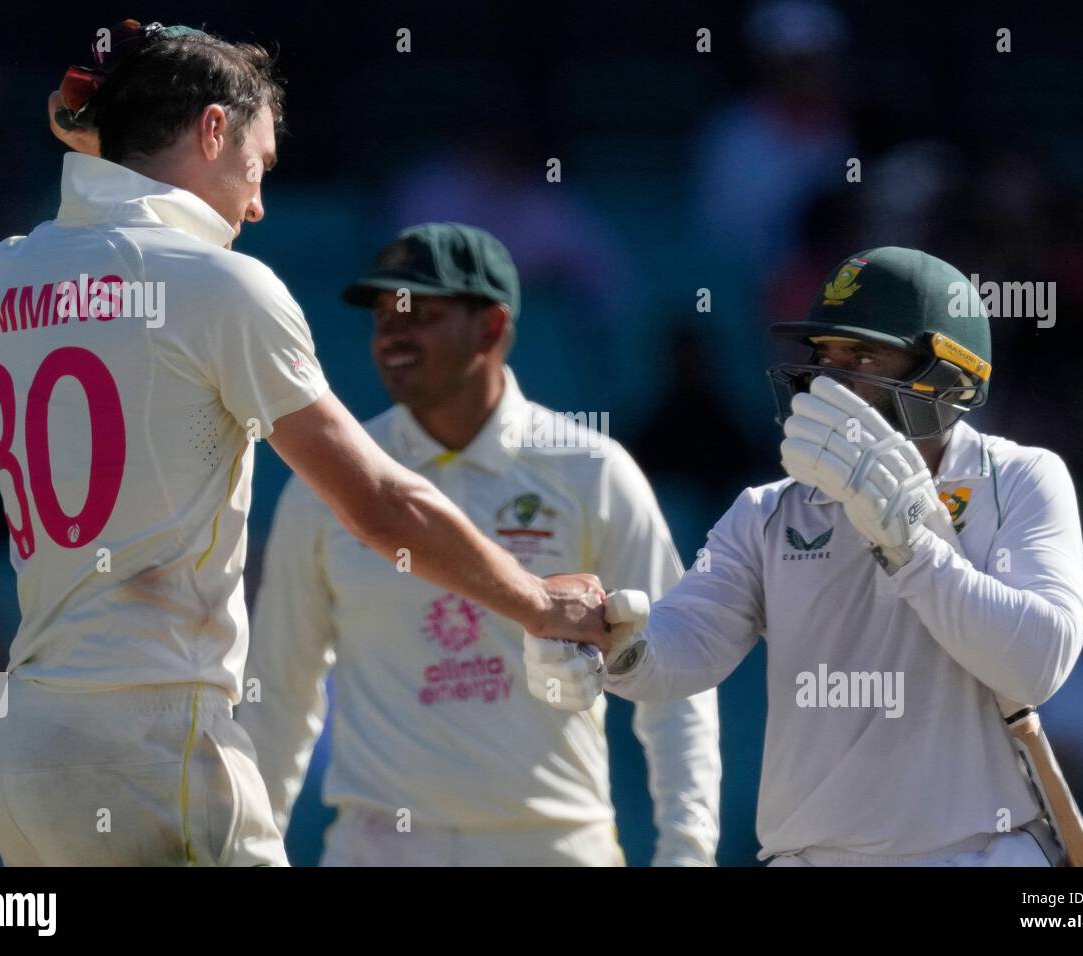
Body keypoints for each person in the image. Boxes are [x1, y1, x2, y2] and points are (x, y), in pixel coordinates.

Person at [0, 21, 606, 867]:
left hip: (28, 754)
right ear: (211, 130)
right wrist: (539, 602)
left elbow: (104, 210)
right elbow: (381, 505)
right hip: (160, 744)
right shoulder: (220, 285)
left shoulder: (3, 272)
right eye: (256, 165)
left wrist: (118, 126)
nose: (259, 203)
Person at [530, 247, 1083, 866]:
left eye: (863, 356)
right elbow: (687, 641)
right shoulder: (768, 511)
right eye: (824, 356)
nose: (829, 380)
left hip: (978, 852)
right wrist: (613, 645)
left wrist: (908, 538)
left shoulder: (1019, 480)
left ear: (942, 373)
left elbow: (1035, 663)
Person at [238, 223, 721, 866]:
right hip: (379, 848)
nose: (392, 335)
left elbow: (677, 677)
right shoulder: (327, 486)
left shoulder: (592, 472)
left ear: (491, 328)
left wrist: (687, 853)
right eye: (383, 315)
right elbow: (281, 692)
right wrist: (248, 852)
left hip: (552, 846)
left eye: (422, 313)